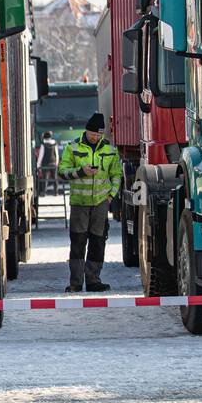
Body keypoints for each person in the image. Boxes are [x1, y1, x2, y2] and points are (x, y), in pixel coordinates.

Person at [58, 113, 121, 292]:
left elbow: (116, 174)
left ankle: (93, 280)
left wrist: (111, 196)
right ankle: (75, 283)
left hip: (101, 202)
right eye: (93, 134)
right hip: (79, 203)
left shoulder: (110, 150)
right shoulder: (72, 148)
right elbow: (62, 171)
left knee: (98, 241)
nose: (96, 137)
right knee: (77, 242)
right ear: (87, 131)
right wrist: (81, 171)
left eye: (99, 135)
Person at [36, 130, 60, 196]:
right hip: (53, 163)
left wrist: (38, 165)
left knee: (45, 178)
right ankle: (56, 192)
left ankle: (44, 192)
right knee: (55, 178)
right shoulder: (54, 143)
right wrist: (57, 163)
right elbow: (56, 154)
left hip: (45, 164)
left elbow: (41, 155)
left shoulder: (43, 144)